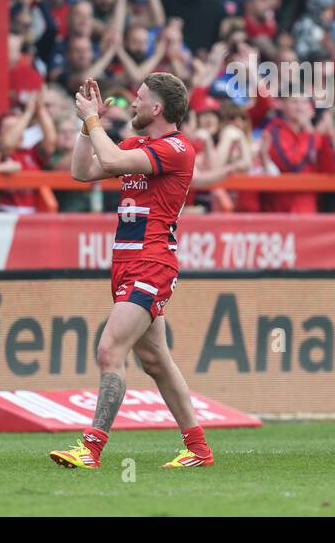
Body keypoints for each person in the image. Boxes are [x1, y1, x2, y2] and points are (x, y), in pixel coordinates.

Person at [50, 73, 215, 471]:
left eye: (139, 99)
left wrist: (94, 121)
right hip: (126, 262)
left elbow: (110, 161)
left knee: (110, 350)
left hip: (152, 262)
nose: (132, 105)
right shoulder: (137, 144)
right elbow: (83, 171)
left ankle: (90, 449)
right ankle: (199, 450)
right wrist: (86, 126)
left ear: (157, 108)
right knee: (156, 361)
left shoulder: (177, 148)